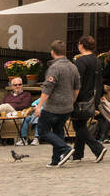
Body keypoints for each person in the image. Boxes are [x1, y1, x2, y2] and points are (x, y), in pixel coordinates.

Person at [33, 39, 80, 167]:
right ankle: (56, 160)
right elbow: (77, 87)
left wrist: (39, 105)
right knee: (58, 131)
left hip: (53, 107)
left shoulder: (54, 68)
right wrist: (72, 100)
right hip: (67, 106)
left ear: (52, 52)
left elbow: (47, 88)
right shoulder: (73, 66)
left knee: (43, 131)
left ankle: (65, 149)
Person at [71, 35, 107, 163]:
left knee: (78, 126)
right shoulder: (97, 60)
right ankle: (77, 154)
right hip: (93, 98)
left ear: (81, 45)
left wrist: (73, 97)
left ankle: (98, 148)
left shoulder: (81, 61)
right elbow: (100, 80)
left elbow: (77, 82)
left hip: (82, 98)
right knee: (81, 124)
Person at [0, 77, 34, 146]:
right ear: (12, 87)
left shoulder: (26, 94)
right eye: (15, 85)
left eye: (19, 84)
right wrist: (10, 105)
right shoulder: (7, 96)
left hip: (18, 116)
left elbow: (24, 105)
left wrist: (10, 105)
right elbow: (0, 106)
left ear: (22, 85)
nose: (18, 86)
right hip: (6, 117)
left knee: (6, 106)